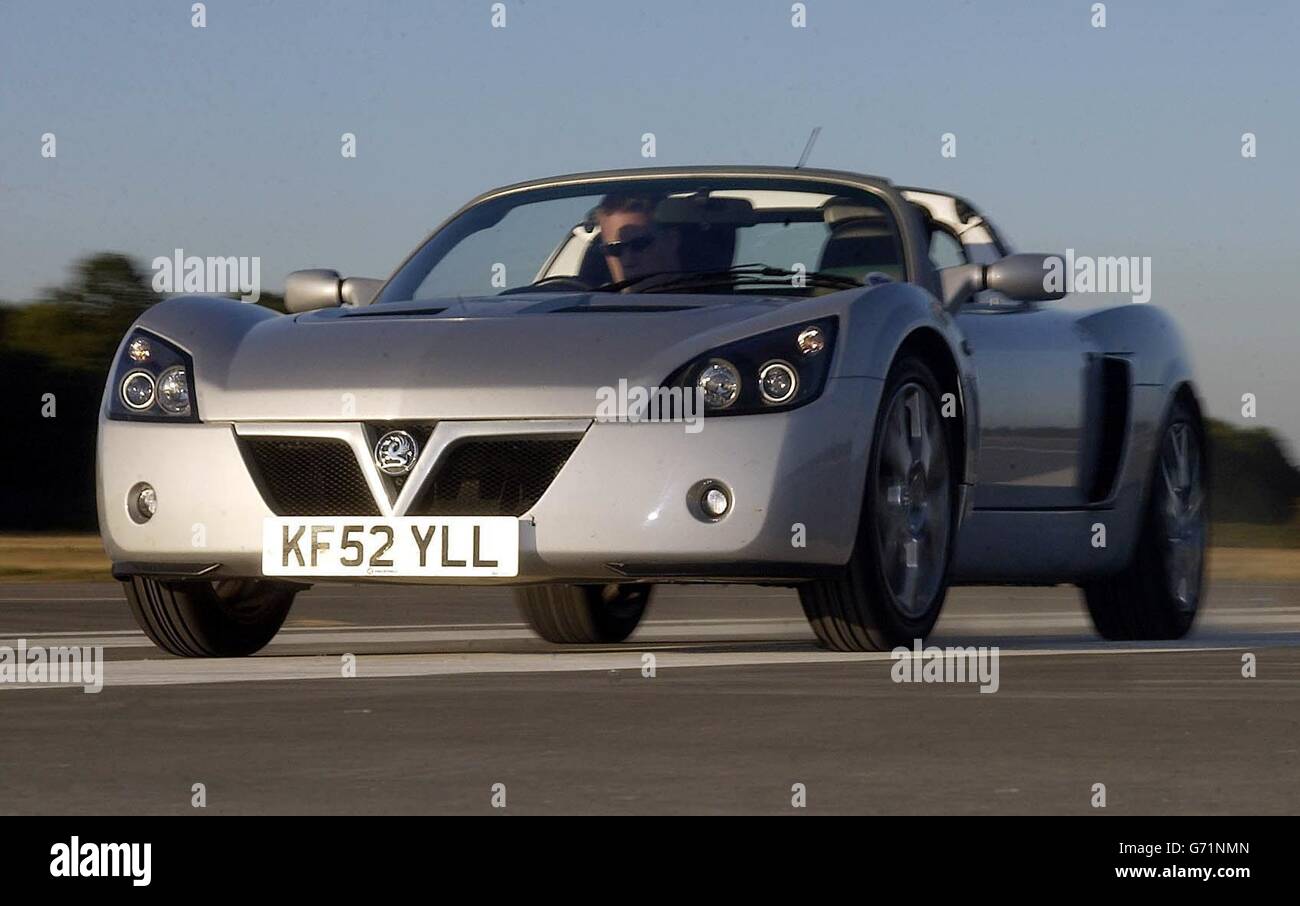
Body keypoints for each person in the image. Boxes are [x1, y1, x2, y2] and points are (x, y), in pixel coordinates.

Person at [592, 193, 682, 285]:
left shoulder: (695, 297)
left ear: (671, 241)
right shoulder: (590, 298)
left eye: (639, 245)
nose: (628, 262)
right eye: (614, 249)